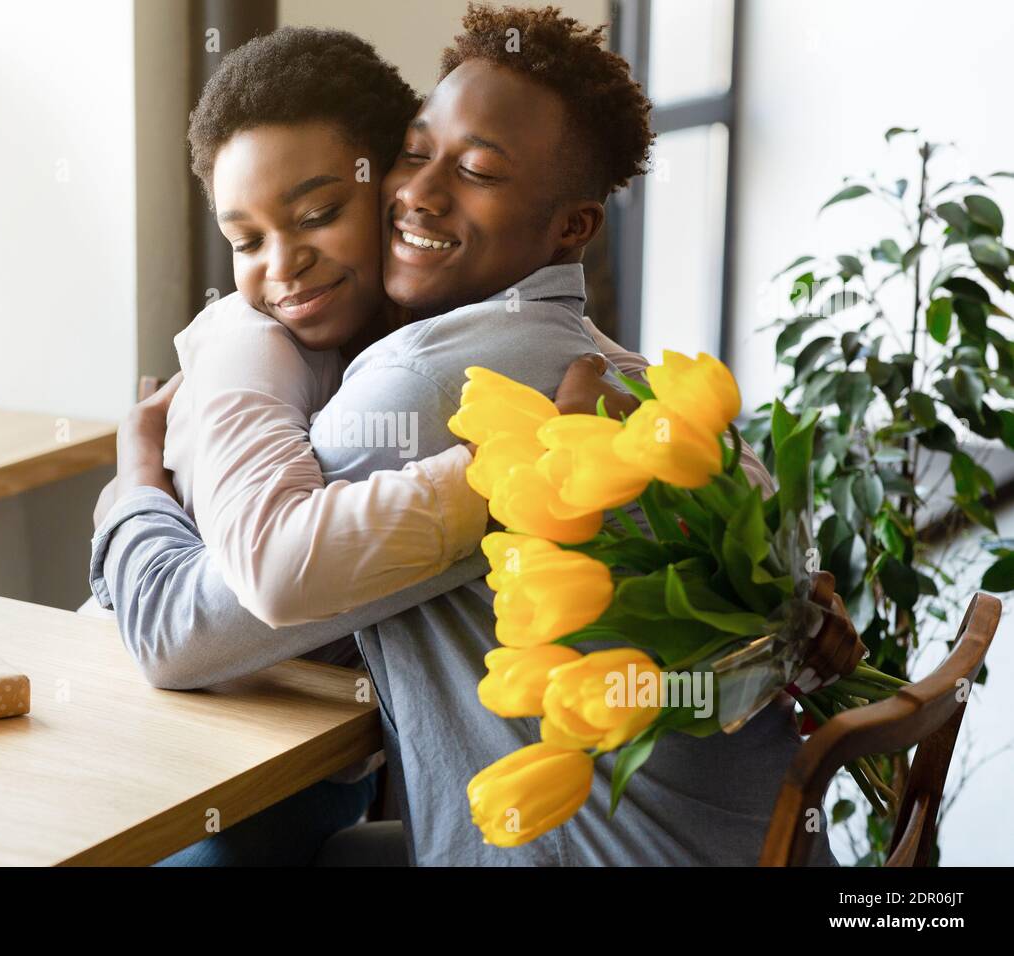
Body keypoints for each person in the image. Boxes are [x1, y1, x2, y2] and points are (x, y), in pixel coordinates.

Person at [94, 3, 827, 866]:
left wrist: (135, 480)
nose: (418, 191)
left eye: (476, 170)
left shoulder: (435, 384)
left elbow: (183, 635)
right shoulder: (609, 363)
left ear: (572, 227)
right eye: (413, 152)